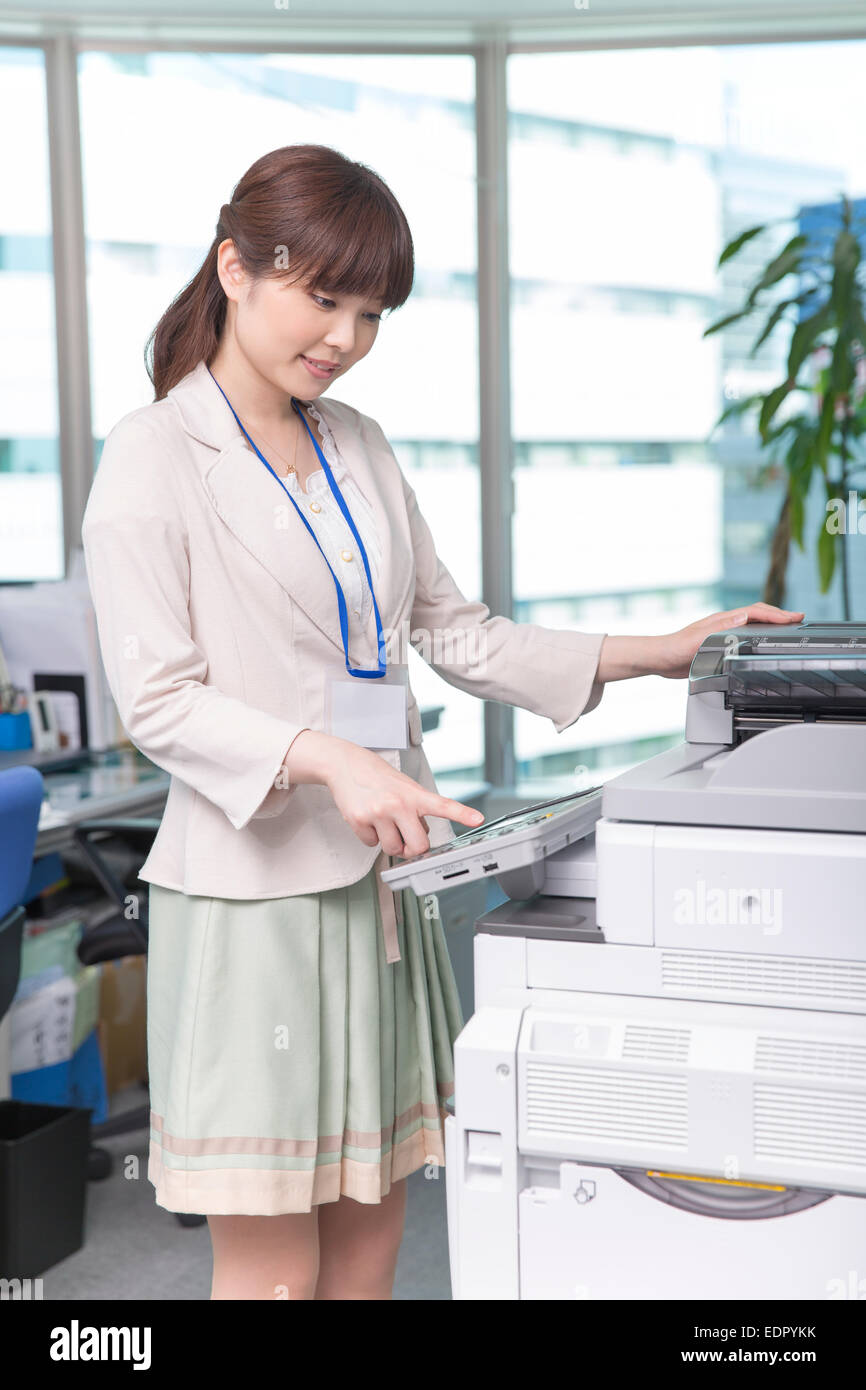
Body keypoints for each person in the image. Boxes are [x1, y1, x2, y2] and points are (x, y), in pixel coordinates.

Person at [80, 143, 804, 1301]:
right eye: (325, 299)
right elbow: (157, 697)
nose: (347, 337)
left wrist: (659, 649)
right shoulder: (153, 455)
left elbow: (456, 632)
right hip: (253, 902)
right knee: (273, 1261)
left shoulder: (355, 441)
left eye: (370, 312)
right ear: (234, 266)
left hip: (383, 886)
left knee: (374, 1225)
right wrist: (323, 758)